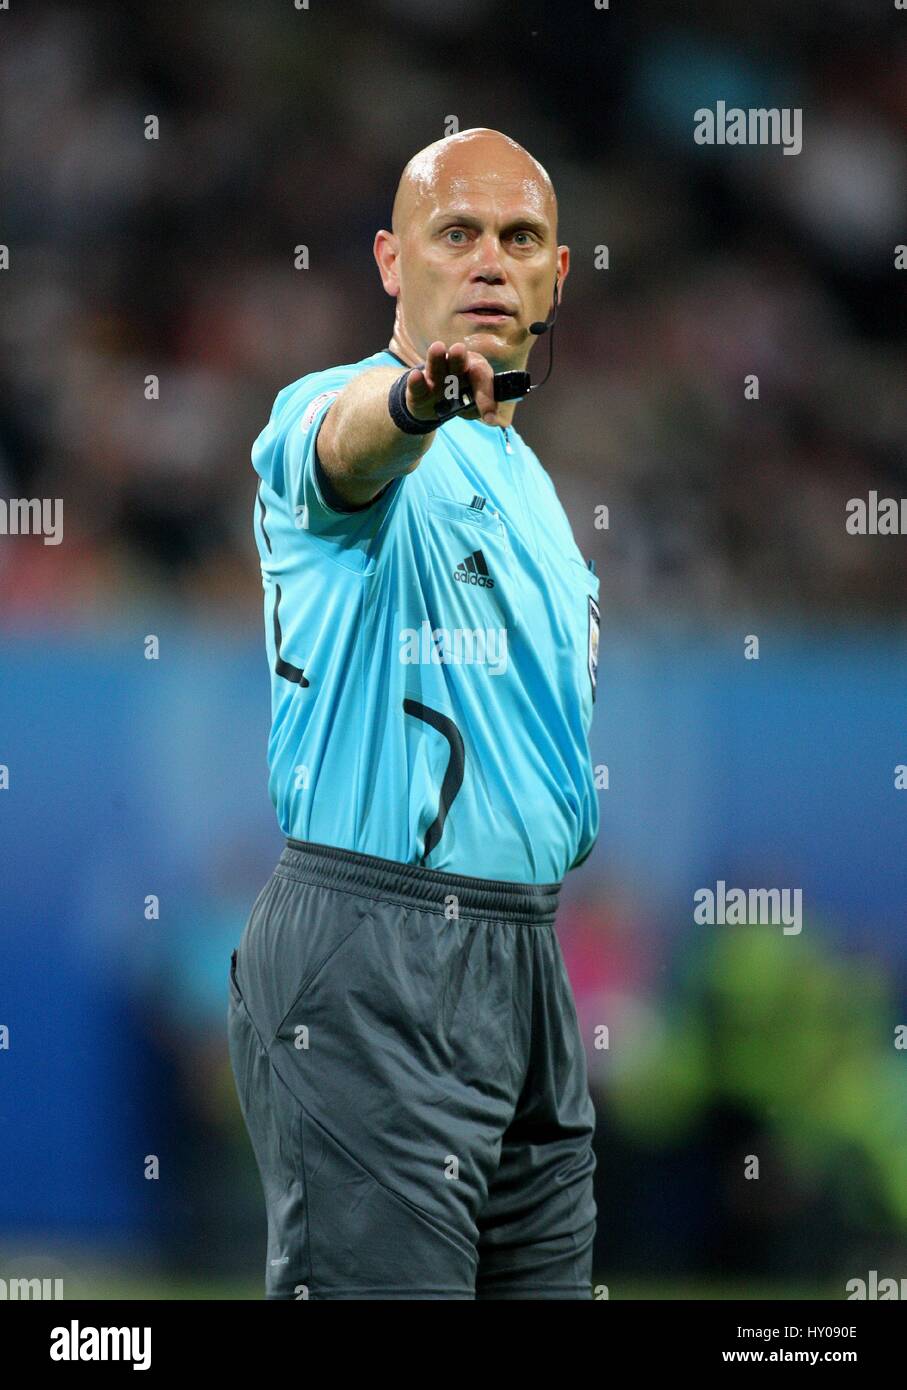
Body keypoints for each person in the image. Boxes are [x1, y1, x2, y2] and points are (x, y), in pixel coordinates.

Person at [228, 127, 601, 1300]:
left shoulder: (534, 488)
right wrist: (412, 398)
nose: (490, 262)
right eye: (457, 234)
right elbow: (346, 450)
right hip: (370, 954)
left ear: (557, 275)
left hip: (525, 965)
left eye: (519, 238)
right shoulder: (342, 409)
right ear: (393, 261)